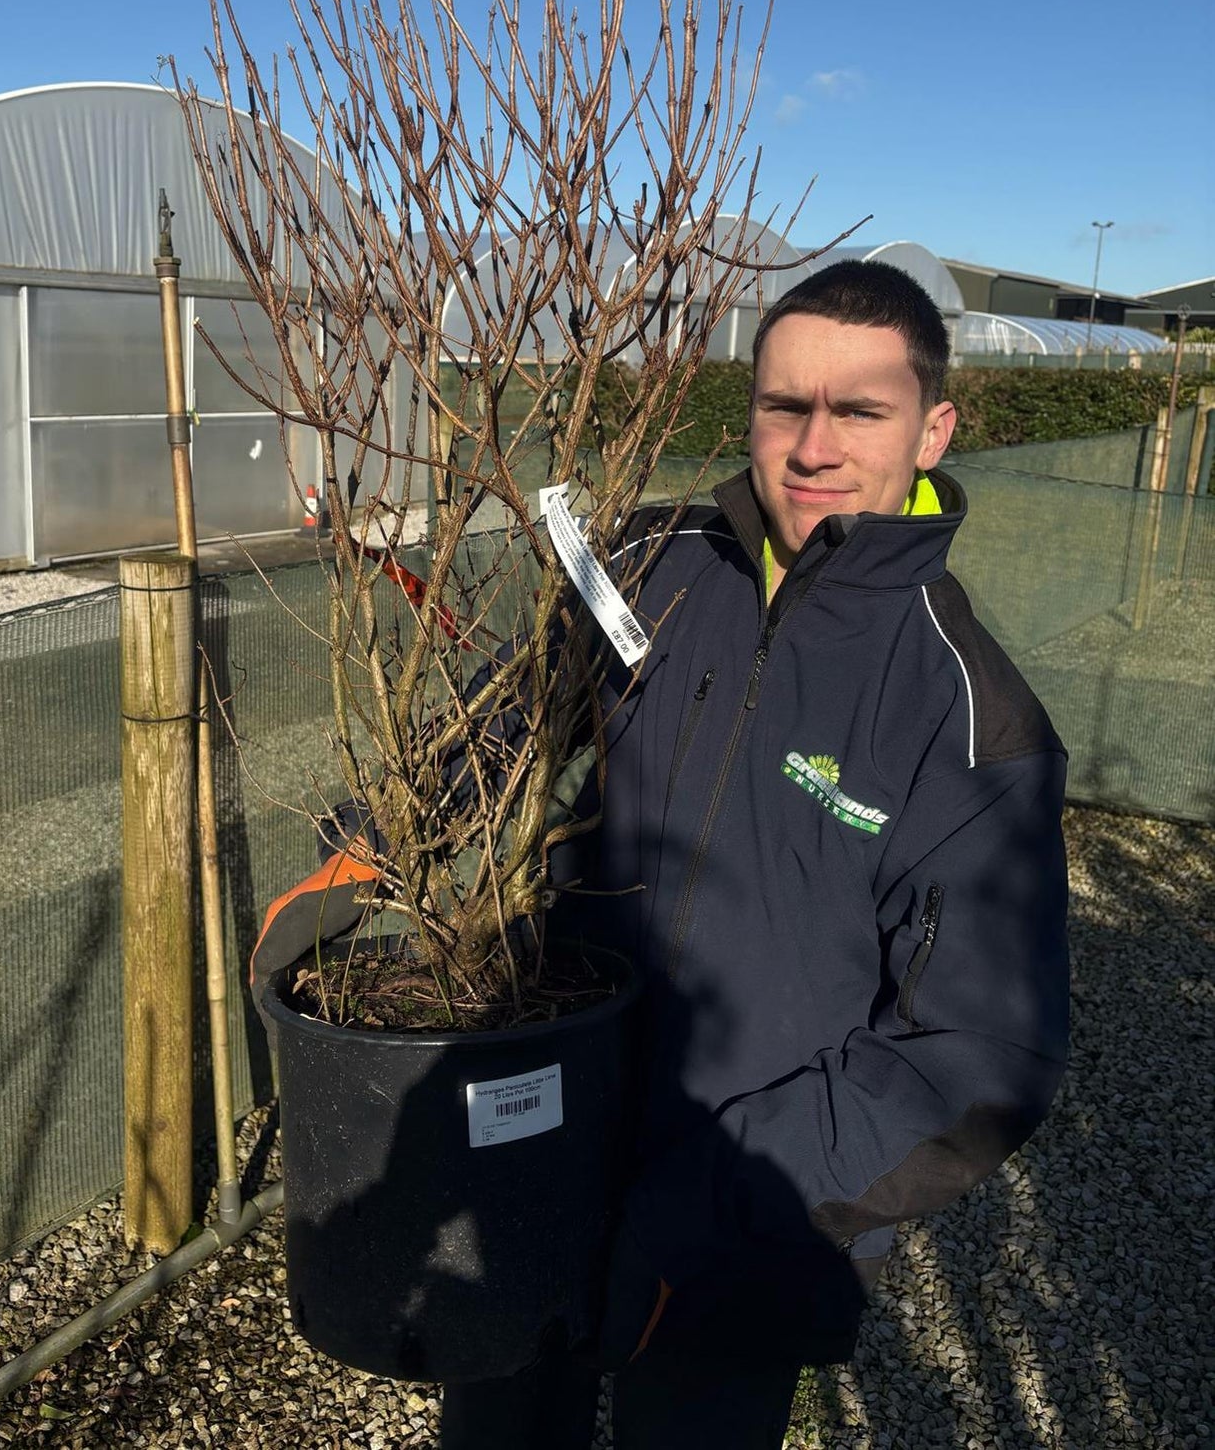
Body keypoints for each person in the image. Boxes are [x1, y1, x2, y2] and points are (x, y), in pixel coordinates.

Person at [252, 259, 1071, 1449]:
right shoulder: (656, 558)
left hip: (731, 1217)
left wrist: (730, 1191)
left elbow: (979, 1052)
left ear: (934, 427)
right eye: (784, 403)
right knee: (497, 1421)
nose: (811, 443)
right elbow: (514, 708)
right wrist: (376, 842)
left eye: (860, 410)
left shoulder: (968, 715)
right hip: (543, 1137)